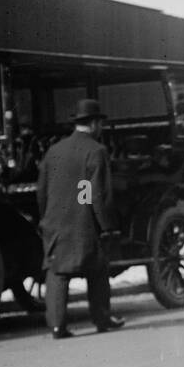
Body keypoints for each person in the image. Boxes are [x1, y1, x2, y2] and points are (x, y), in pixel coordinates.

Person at [36, 98, 124, 339]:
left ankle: (57, 325)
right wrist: (107, 226)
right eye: (100, 124)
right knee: (98, 269)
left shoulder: (54, 151)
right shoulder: (96, 151)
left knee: (57, 272)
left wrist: (45, 218)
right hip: (84, 221)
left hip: (55, 221)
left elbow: (42, 190)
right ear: (95, 124)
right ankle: (102, 318)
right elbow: (97, 194)